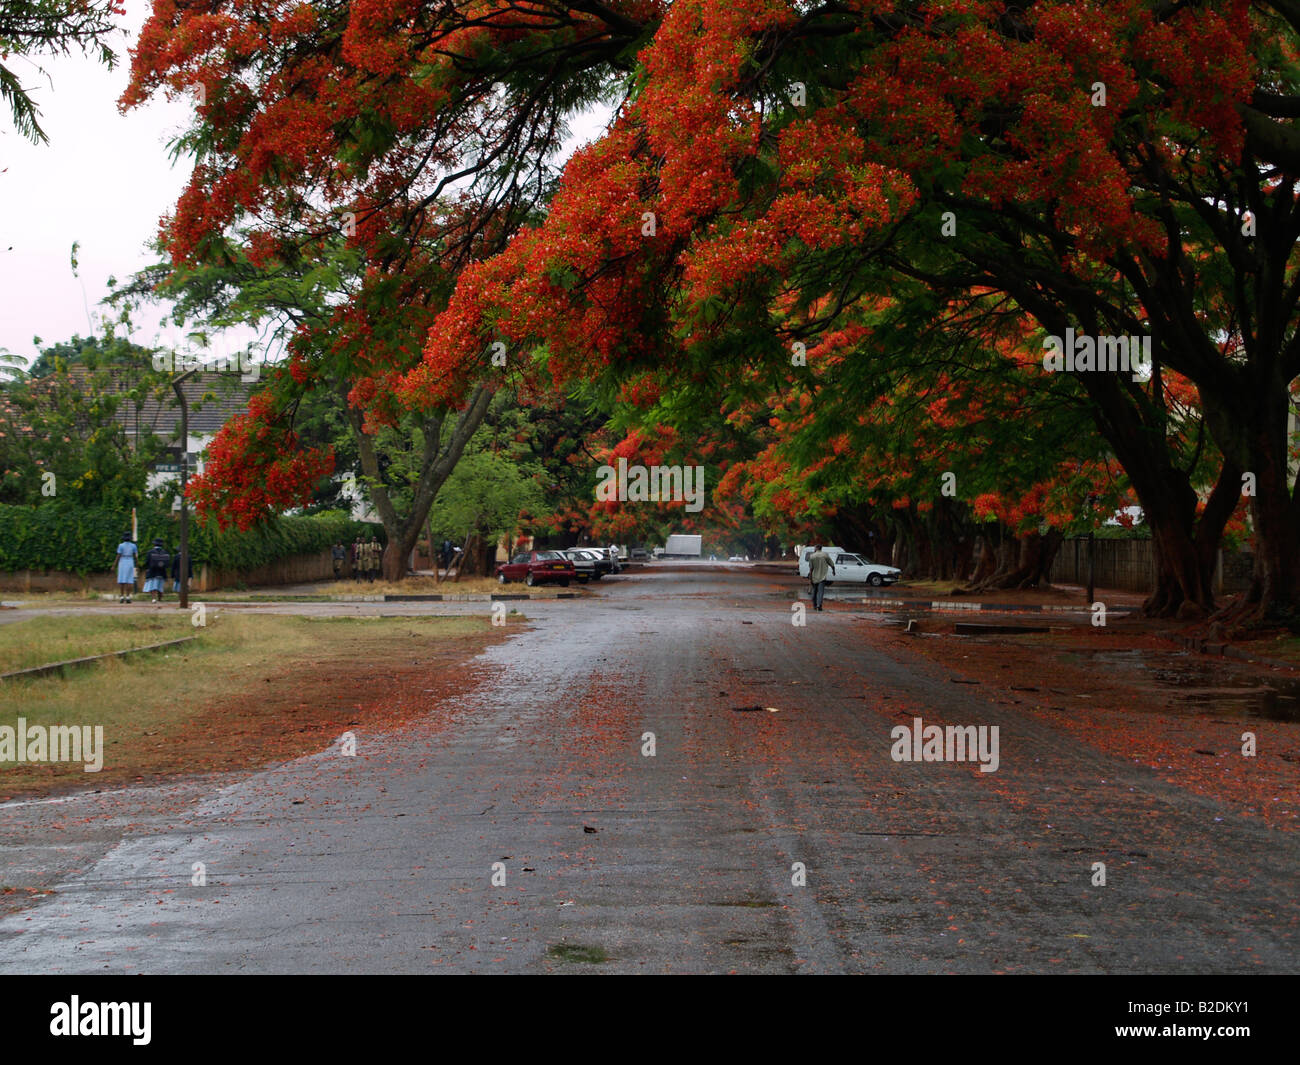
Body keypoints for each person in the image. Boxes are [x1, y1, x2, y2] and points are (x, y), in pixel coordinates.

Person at [807, 545, 836, 612]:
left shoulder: (812, 556)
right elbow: (832, 564)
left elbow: (811, 569)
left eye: (814, 548)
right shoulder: (825, 555)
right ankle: (819, 605)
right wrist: (833, 571)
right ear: (821, 548)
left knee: (814, 592)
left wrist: (810, 578)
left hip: (814, 577)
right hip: (822, 577)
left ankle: (814, 605)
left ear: (816, 548)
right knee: (821, 592)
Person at [143, 538, 170, 603]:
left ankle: (153, 599)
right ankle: (160, 599)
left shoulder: (150, 552)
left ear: (154, 544)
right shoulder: (165, 552)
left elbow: (147, 562)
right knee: (160, 586)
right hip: (162, 571)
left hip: (152, 571)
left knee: (153, 586)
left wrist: (146, 569)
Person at [114, 532, 137, 604]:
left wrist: (114, 565)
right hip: (130, 561)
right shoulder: (133, 546)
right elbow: (135, 556)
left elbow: (118, 555)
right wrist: (137, 564)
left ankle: (121, 596)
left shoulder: (121, 545)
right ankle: (128, 597)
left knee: (121, 580)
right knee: (129, 580)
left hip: (122, 561)